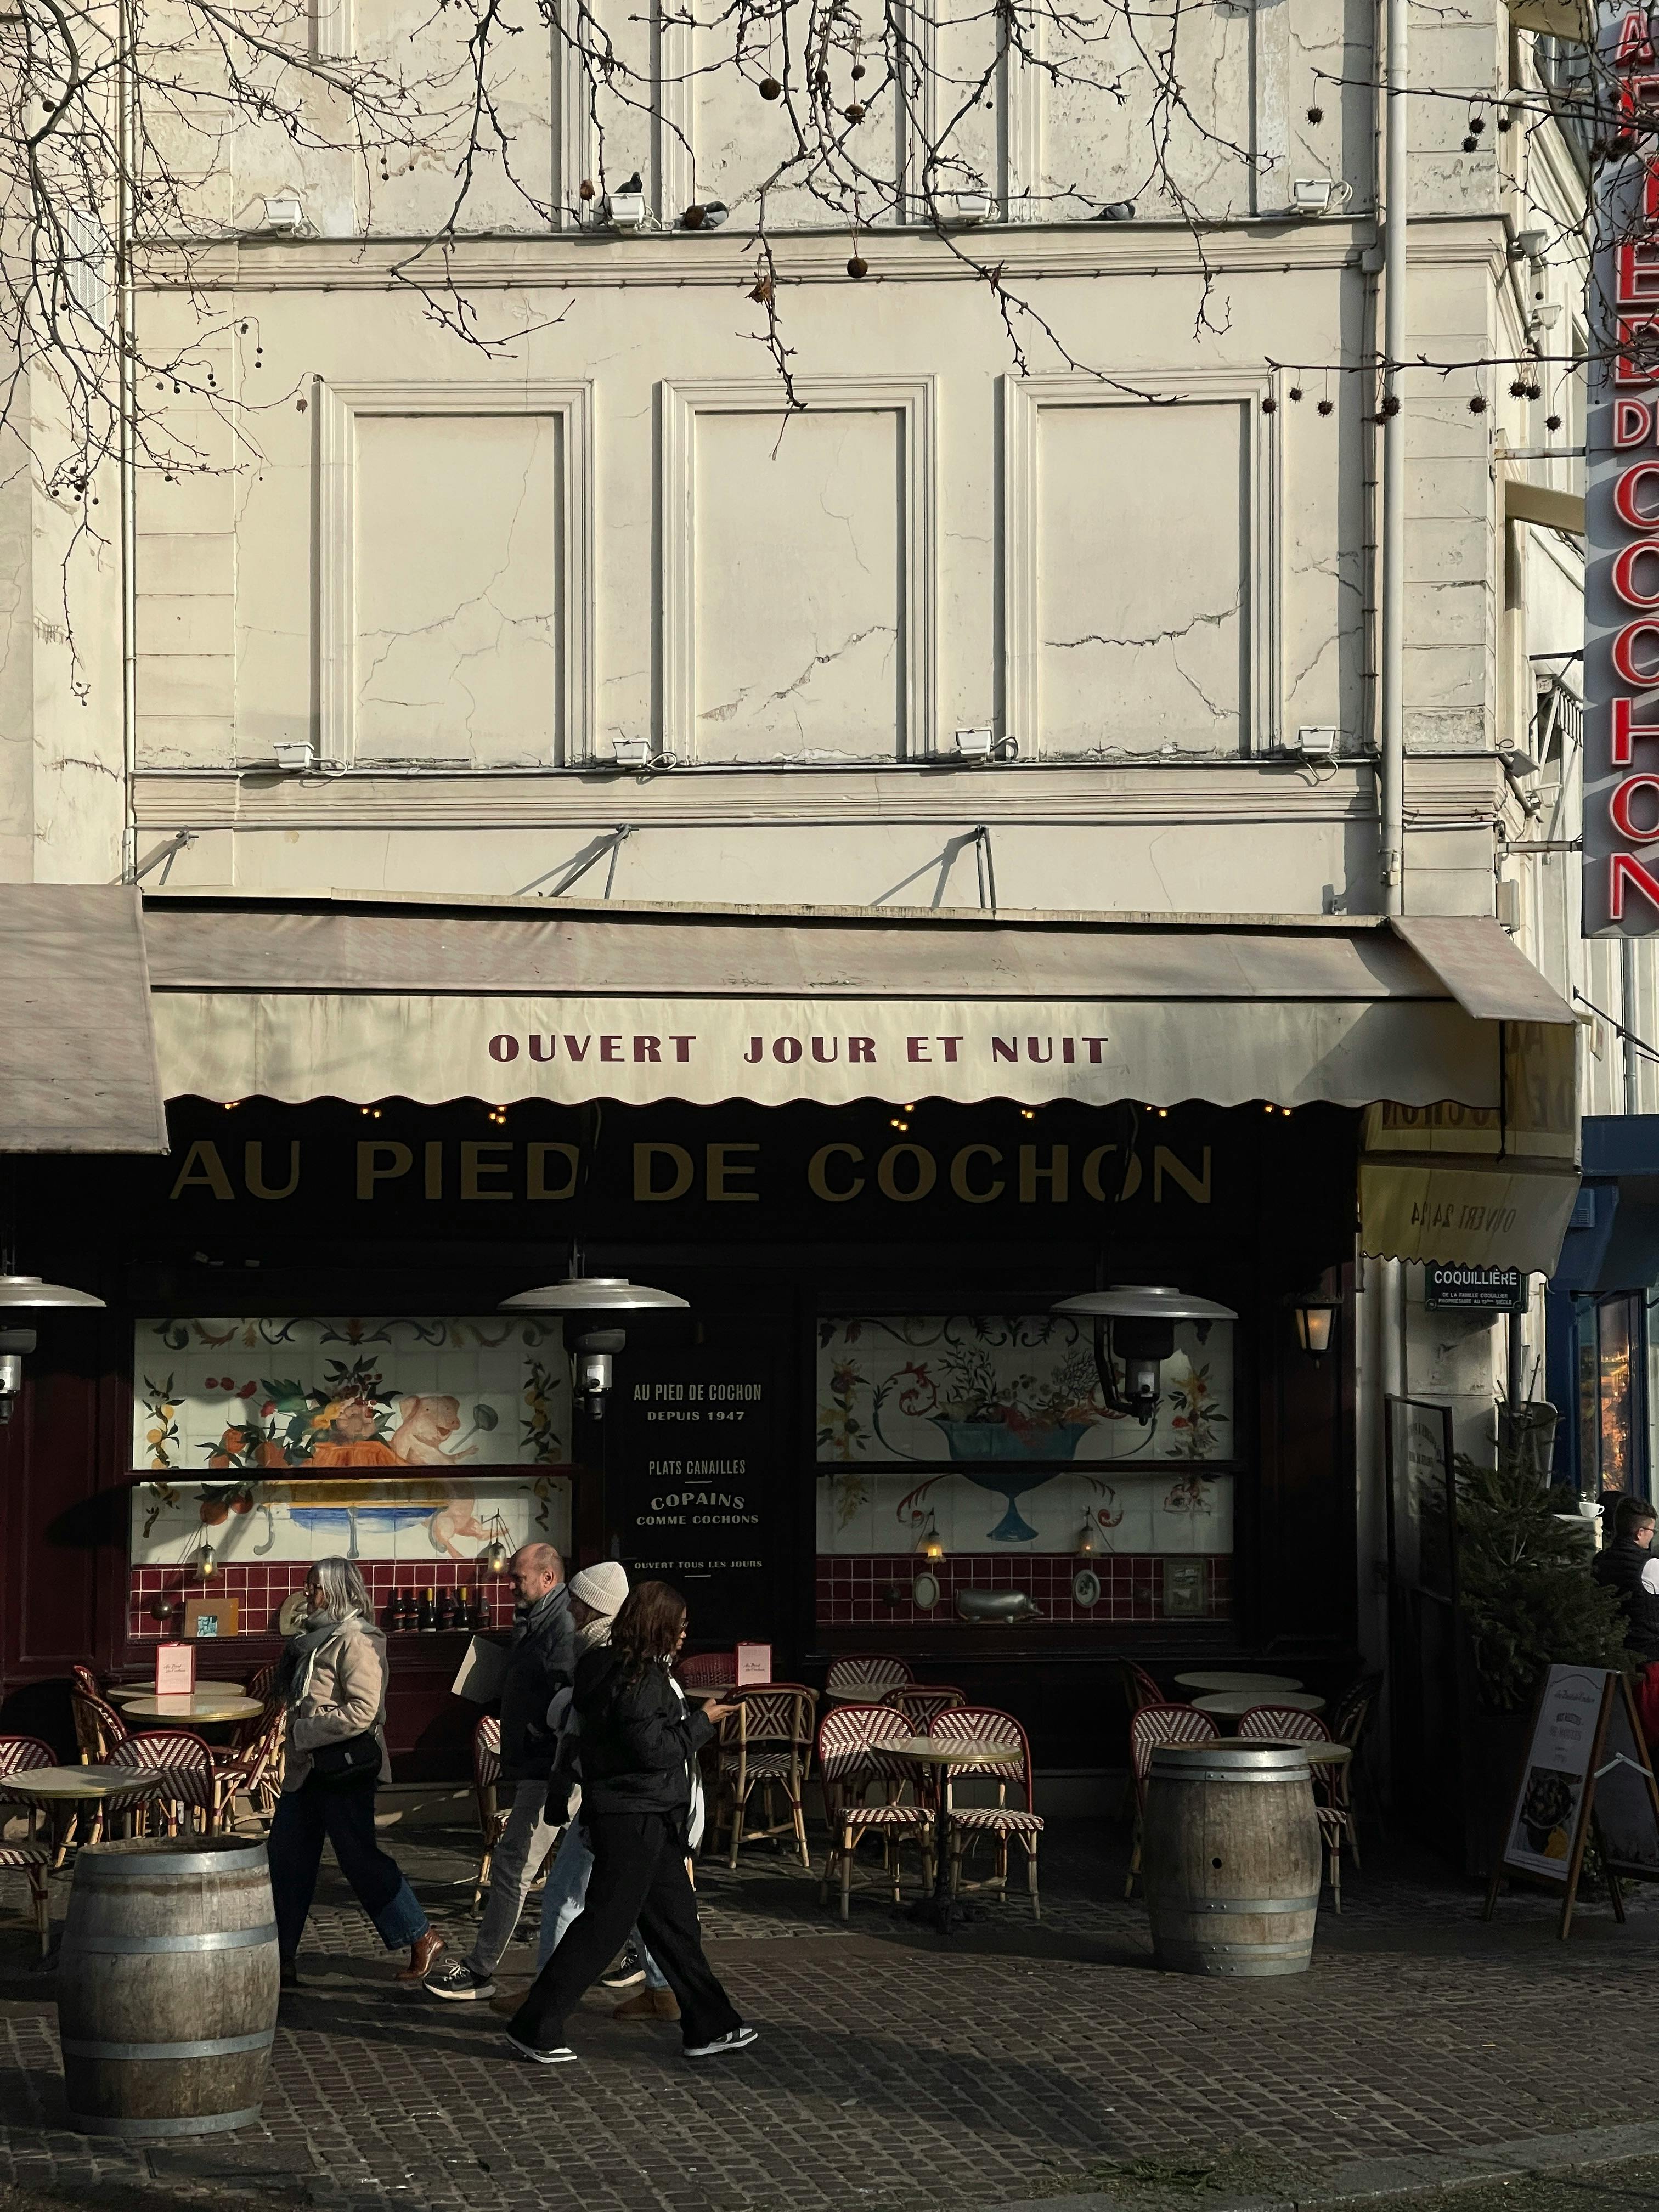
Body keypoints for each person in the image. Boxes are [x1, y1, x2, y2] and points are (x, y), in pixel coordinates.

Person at [505, 1579, 756, 2065]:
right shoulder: (638, 1678)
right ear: (658, 1628)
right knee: (603, 1926)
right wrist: (703, 1721)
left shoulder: (606, 1666)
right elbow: (654, 1751)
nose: (685, 1636)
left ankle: (711, 2024)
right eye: (679, 1628)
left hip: (645, 1816)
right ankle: (535, 2025)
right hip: (635, 1816)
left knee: (676, 1924)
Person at [268, 1555, 441, 1990]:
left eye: (316, 1587)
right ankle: (279, 1957)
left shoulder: (356, 1641)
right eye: (308, 1586)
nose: (308, 1594)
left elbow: (366, 1710)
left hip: (342, 1770)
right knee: (287, 1861)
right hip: (307, 1771)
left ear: (339, 1591)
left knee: (358, 1858)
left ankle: (420, 1934)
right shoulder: (313, 1639)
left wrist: (306, 1730)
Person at [528, 1561, 680, 2021]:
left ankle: (546, 1997)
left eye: (577, 1602)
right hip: (632, 1803)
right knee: (642, 1903)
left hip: (618, 1802)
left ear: (595, 1608)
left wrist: (560, 1709)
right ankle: (664, 1989)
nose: (570, 1610)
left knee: (570, 1896)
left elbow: (630, 1738)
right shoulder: (609, 1659)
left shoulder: (610, 1664)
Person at [426, 1541, 574, 2001]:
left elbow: (566, 1698)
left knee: (514, 1866)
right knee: (598, 1870)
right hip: (543, 1764)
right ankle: (642, 1958)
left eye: (518, 1578)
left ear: (548, 1578)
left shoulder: (561, 1625)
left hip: (552, 1769)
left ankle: (481, 1968)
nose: (510, 1585)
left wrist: (538, 1736)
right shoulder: (538, 1619)